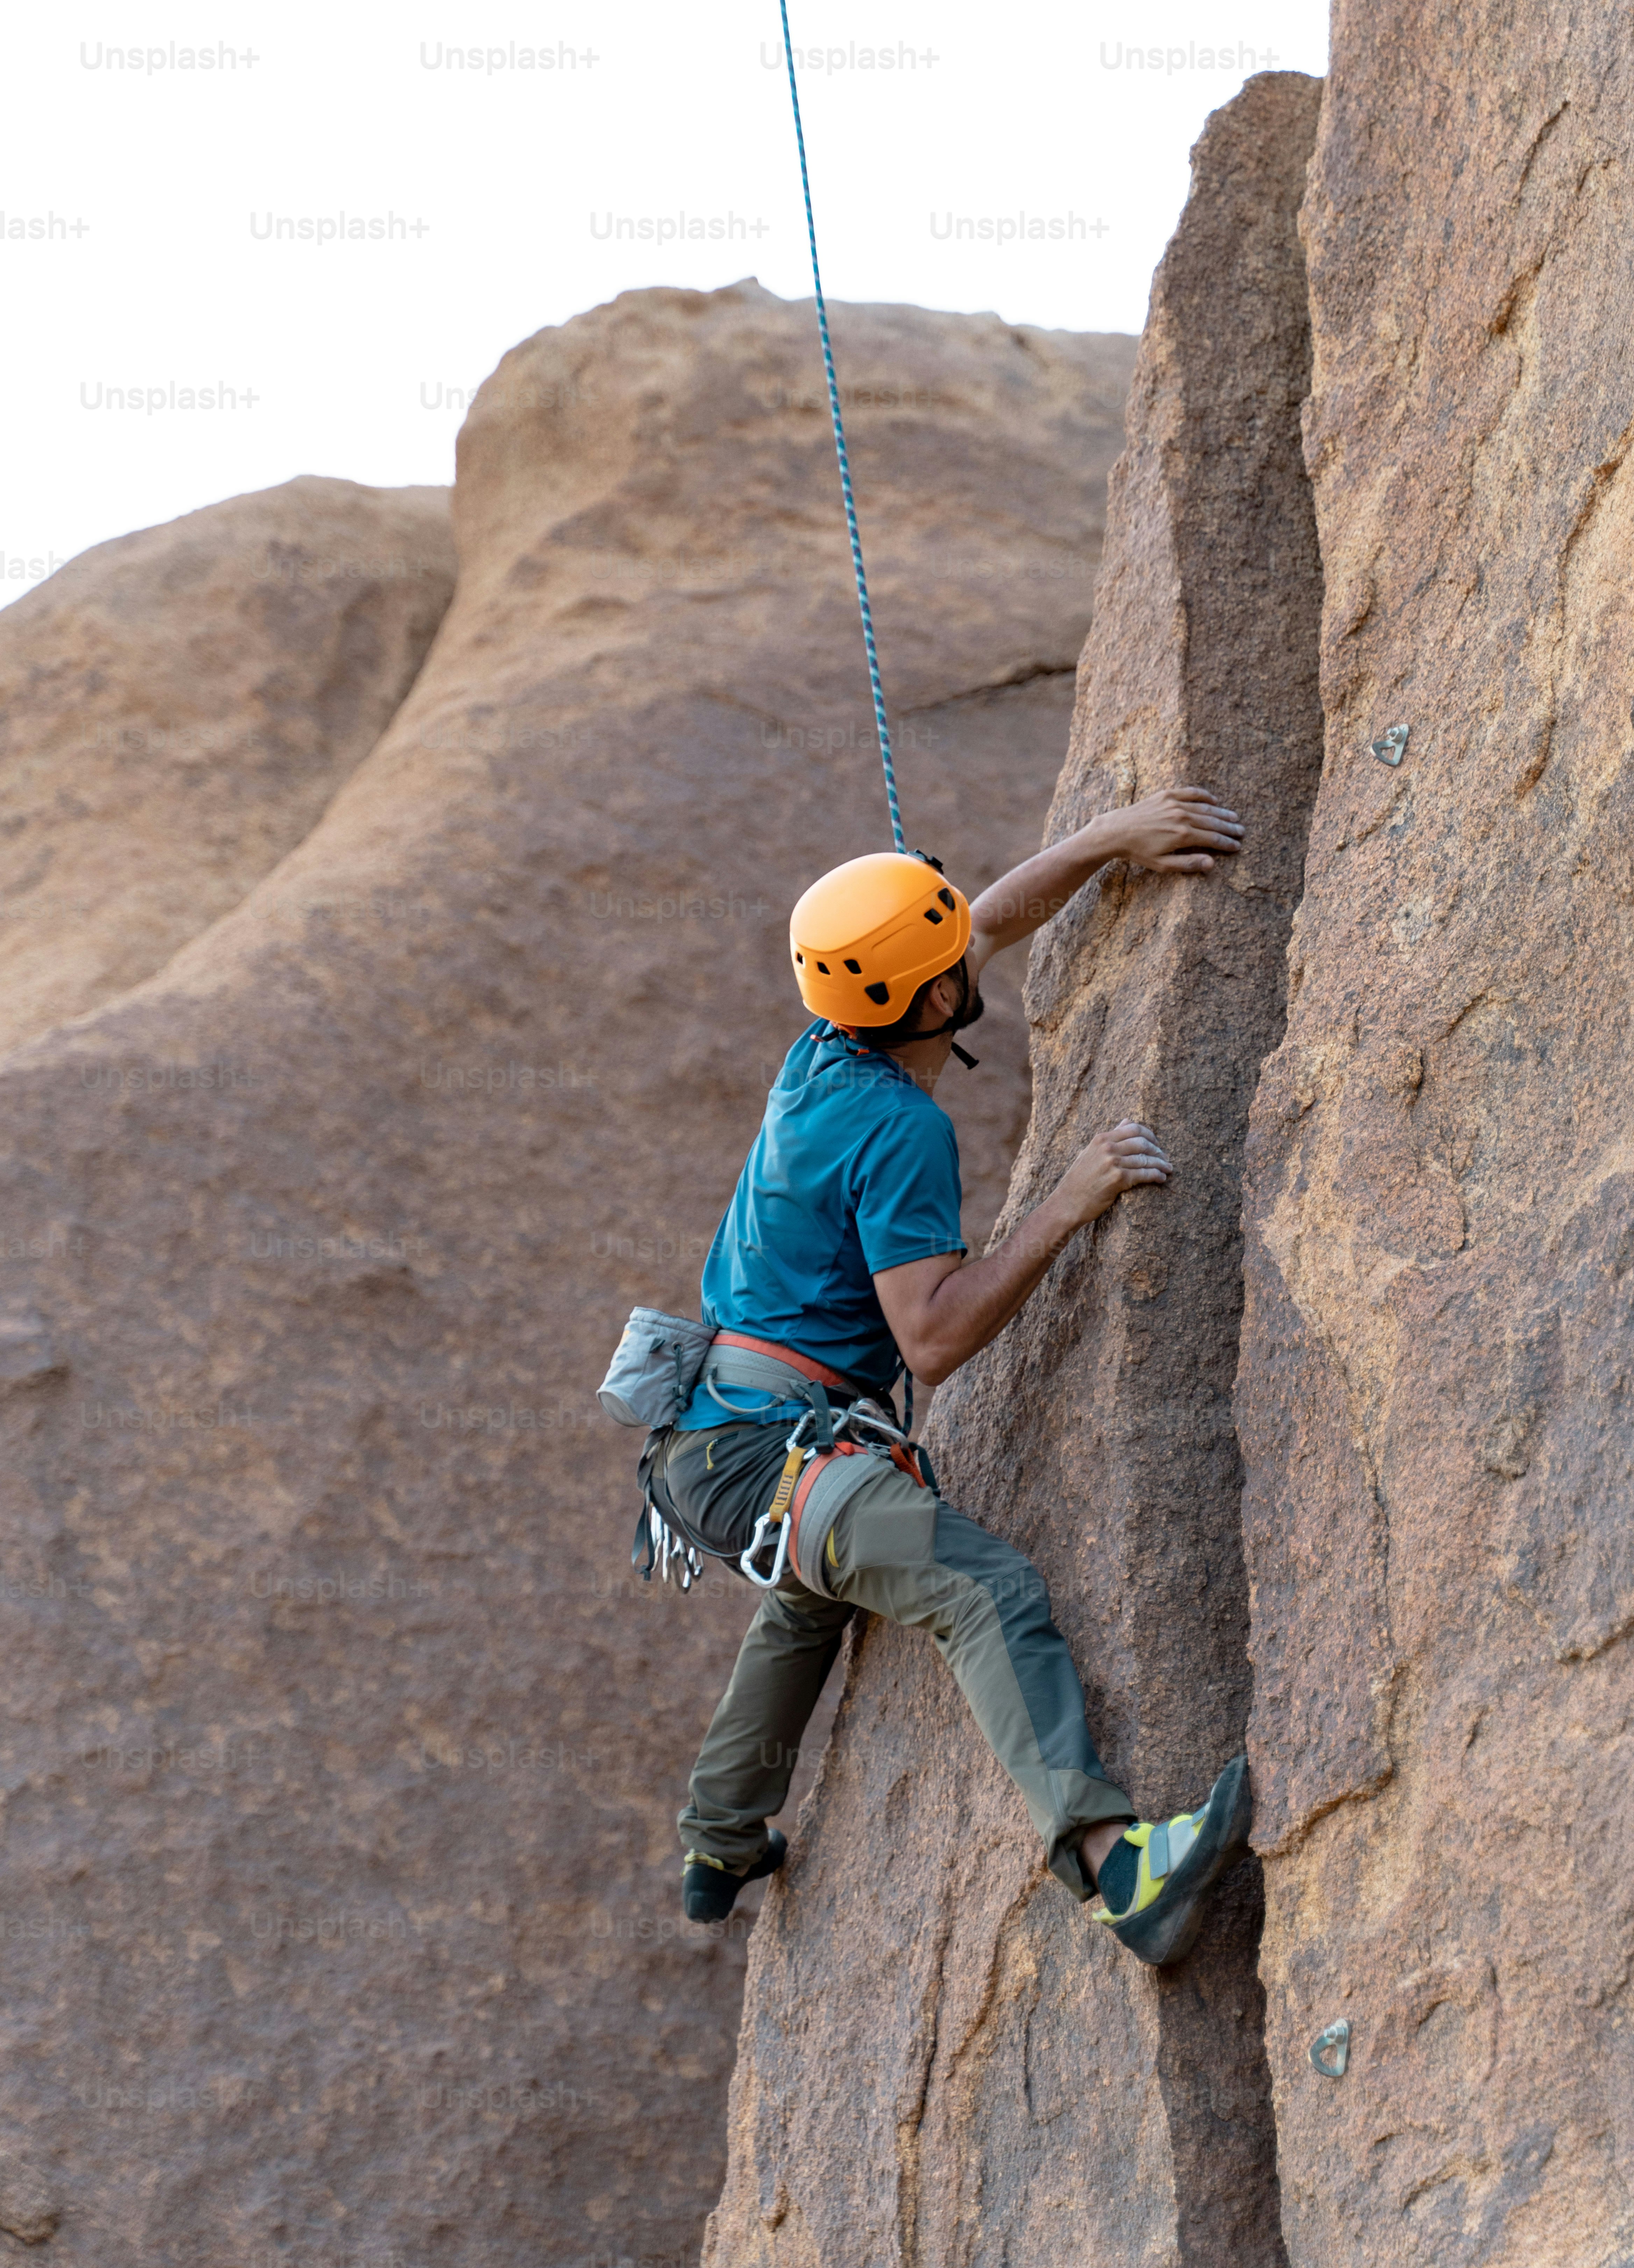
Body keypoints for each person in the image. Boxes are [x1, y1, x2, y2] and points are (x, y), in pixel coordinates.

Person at [654, 785, 1252, 1967]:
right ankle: (1116, 1865)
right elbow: (930, 1338)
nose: (969, 945)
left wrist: (1110, 838)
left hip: (717, 1442)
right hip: (769, 1453)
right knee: (980, 1587)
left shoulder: (827, 1040)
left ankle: (721, 1838)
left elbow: (971, 930)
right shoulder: (898, 1129)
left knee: (817, 1593)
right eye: (947, 959)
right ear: (934, 1001)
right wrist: (1067, 1204)